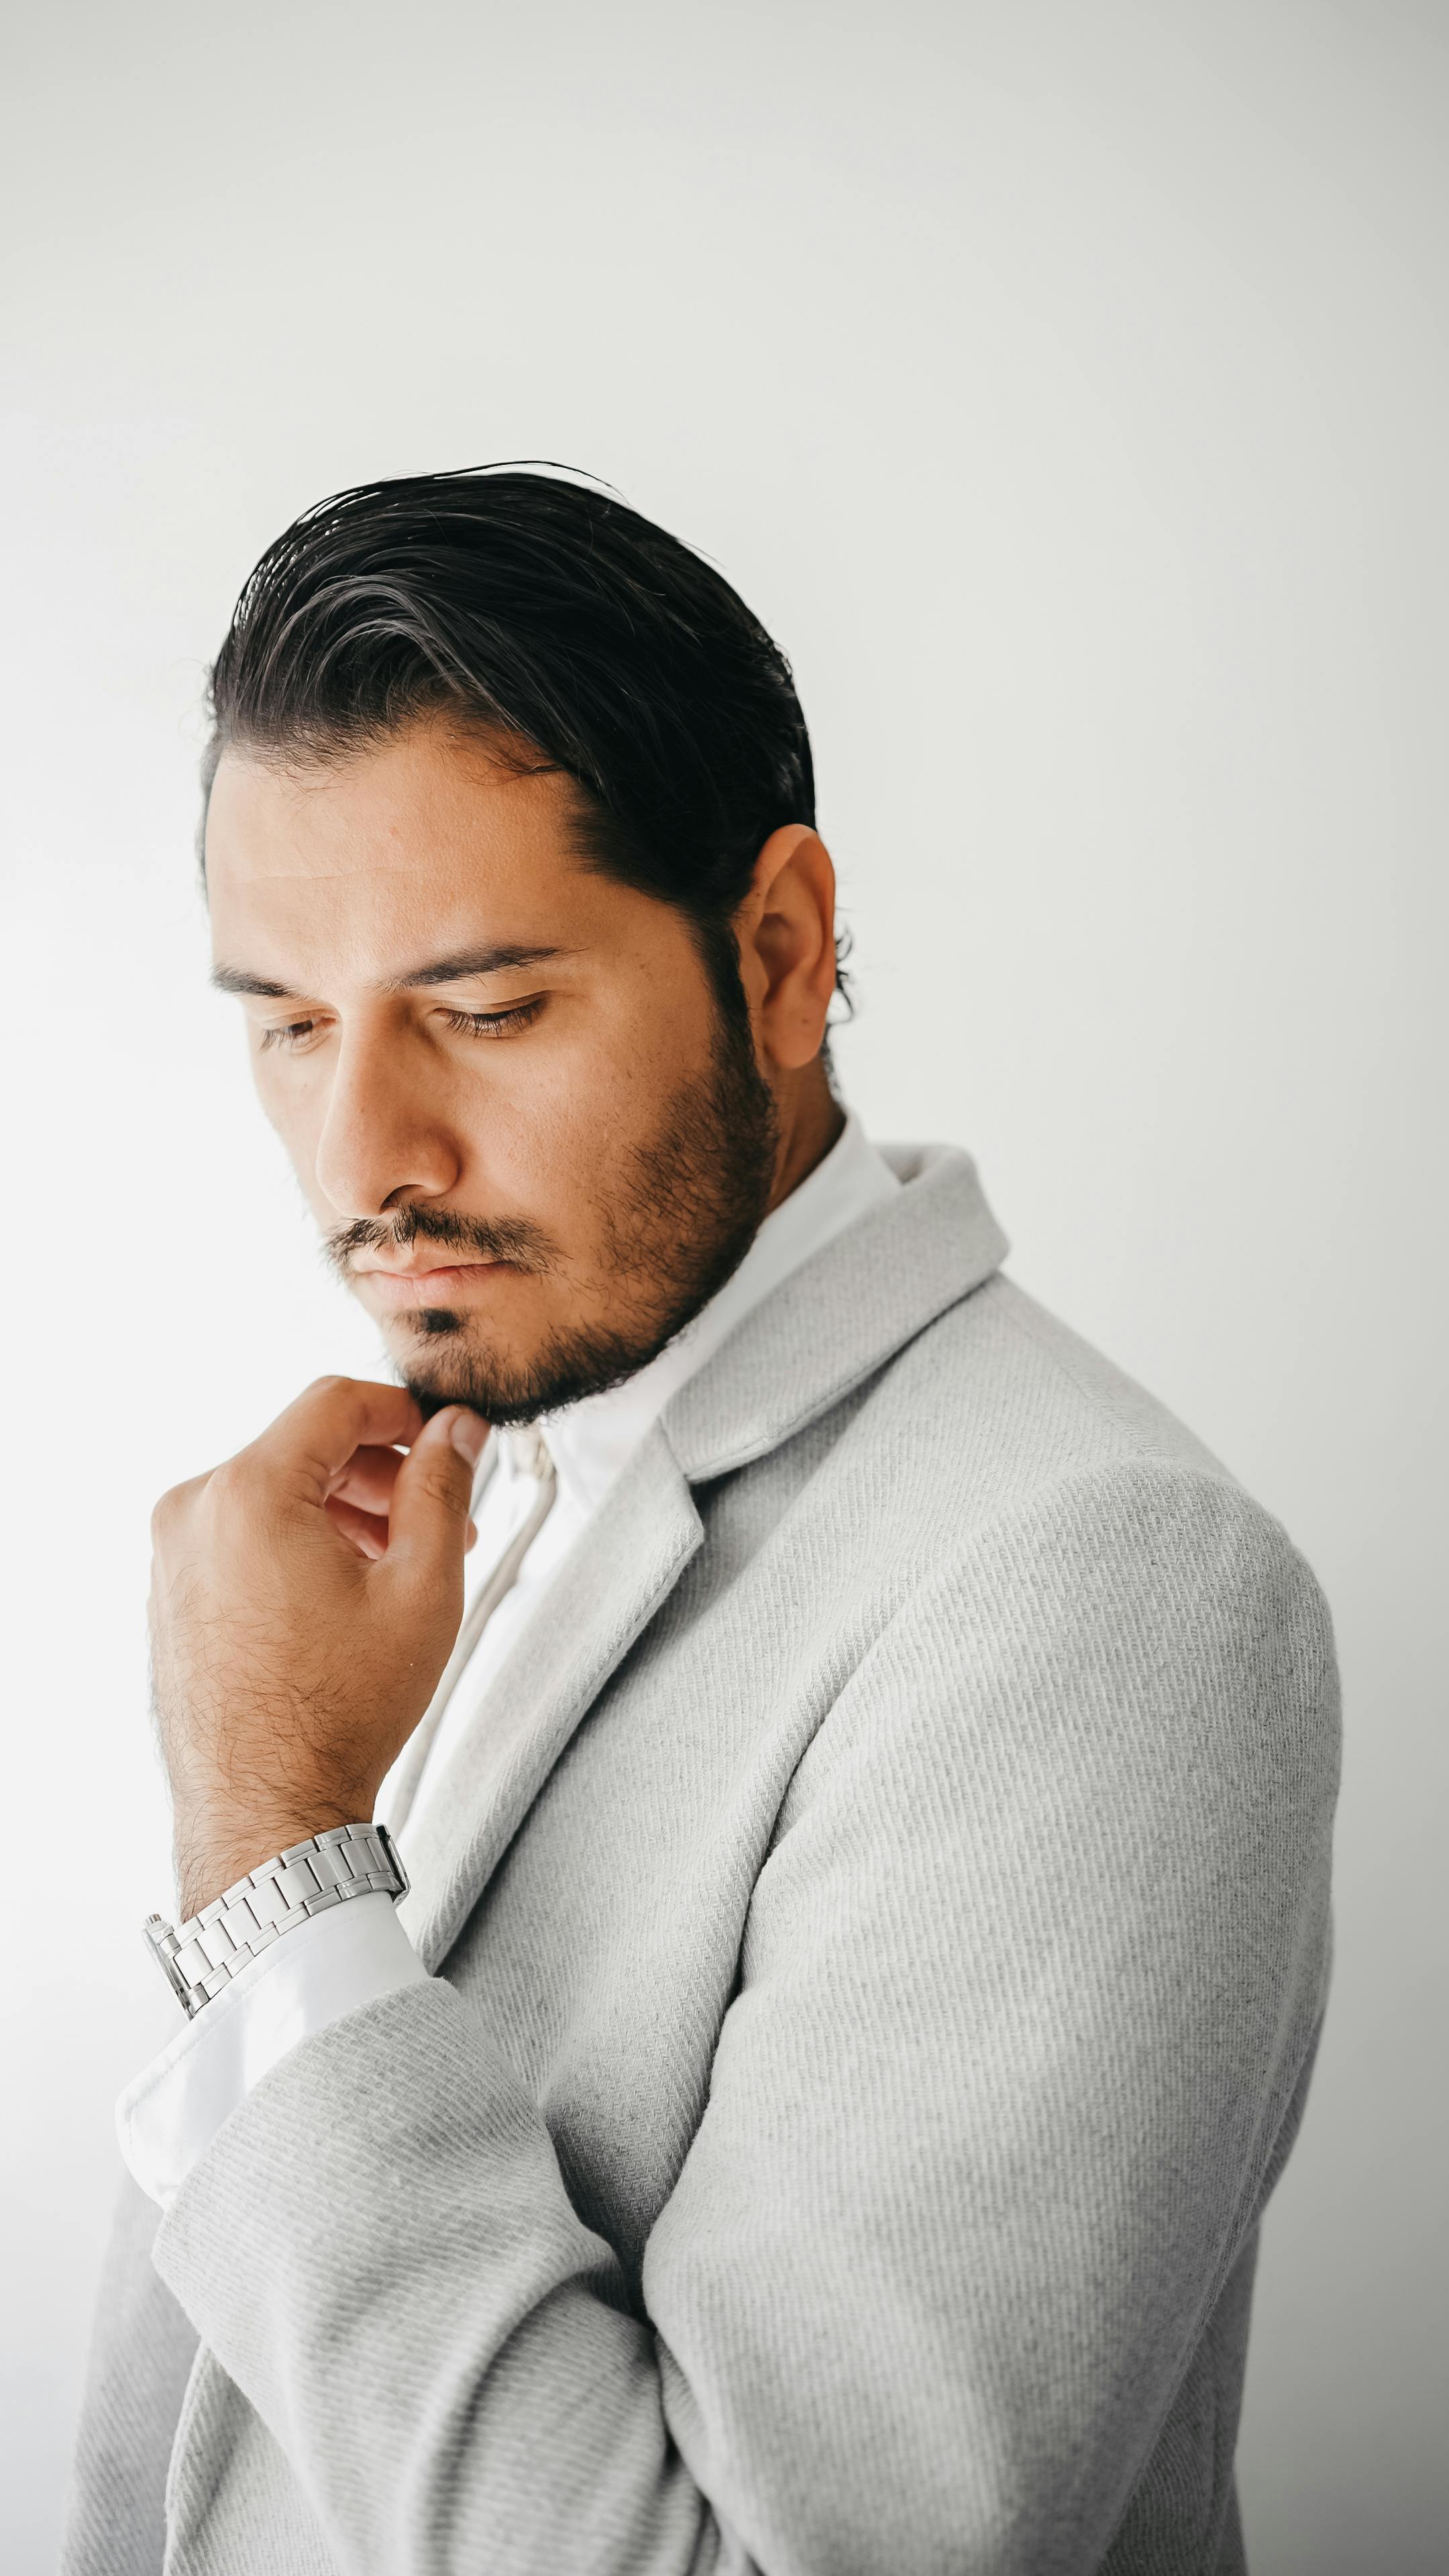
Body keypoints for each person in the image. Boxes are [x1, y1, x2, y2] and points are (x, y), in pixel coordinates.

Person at [62, 468, 1340, 2576]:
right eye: (288, 1023)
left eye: (485, 1010)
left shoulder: (1101, 1586)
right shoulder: (443, 1467)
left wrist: (273, 1857)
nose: (362, 1157)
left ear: (779, 954)